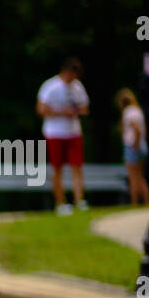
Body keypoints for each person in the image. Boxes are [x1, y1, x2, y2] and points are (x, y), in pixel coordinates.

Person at [36, 57, 90, 215]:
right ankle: (60, 203)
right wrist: (62, 112)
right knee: (57, 168)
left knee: (77, 167)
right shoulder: (50, 86)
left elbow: (85, 108)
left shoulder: (77, 87)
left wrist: (76, 111)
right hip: (55, 132)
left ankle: (79, 200)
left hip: (73, 131)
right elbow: (41, 109)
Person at [114, 88, 149, 207]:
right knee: (140, 177)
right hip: (142, 145)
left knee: (133, 178)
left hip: (133, 146)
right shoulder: (137, 110)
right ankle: (146, 202)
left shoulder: (128, 112)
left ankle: (134, 204)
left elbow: (136, 129)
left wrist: (135, 144)